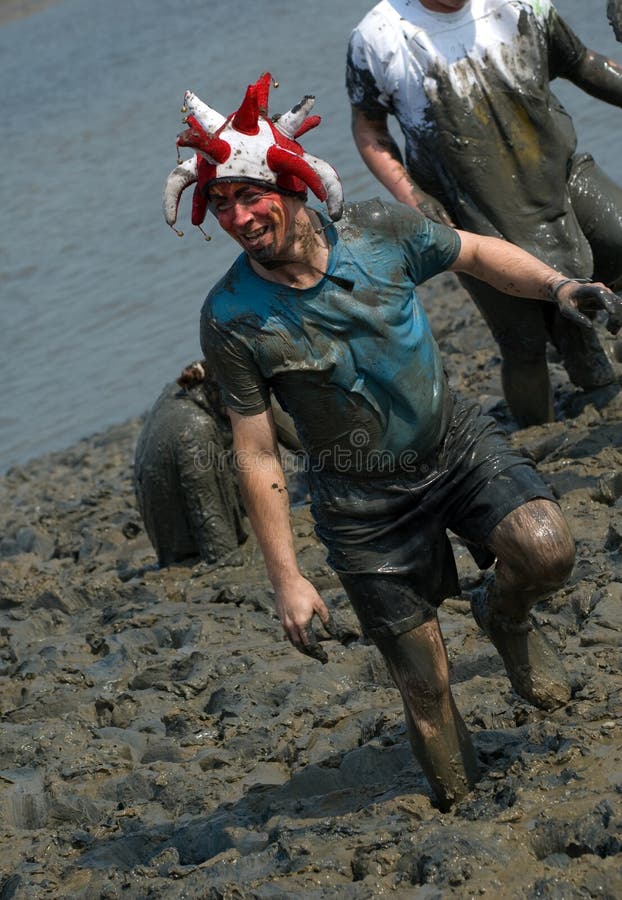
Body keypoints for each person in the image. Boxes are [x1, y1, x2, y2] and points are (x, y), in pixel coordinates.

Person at [162, 73, 622, 810]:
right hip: (362, 504)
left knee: (547, 548)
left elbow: (475, 253)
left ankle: (503, 614)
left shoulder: (381, 233)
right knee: (425, 683)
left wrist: (561, 287)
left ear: (294, 185)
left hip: (455, 447)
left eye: (251, 196)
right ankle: (462, 805)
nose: (240, 217)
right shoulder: (231, 317)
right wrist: (287, 578)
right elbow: (256, 452)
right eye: (221, 205)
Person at [347, 0, 622, 426]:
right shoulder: (379, 37)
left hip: (559, 174)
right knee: (522, 339)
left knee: (617, 238)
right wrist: (414, 197)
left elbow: (582, 62)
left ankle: (593, 365)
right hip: (471, 208)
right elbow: (370, 130)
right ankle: (536, 434)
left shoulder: (520, 6)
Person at [134, 359, 301, 567]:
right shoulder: (194, 432)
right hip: (188, 549)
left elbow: (278, 424)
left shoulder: (190, 388)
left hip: (172, 537)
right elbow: (220, 548)